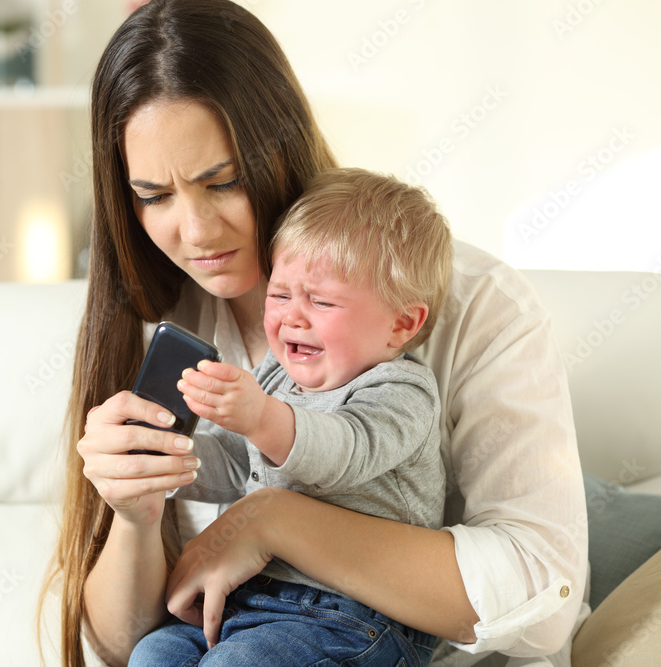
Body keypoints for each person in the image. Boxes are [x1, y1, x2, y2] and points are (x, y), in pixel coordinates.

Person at [41, 1, 587, 666]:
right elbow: (121, 646)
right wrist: (136, 509)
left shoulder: (468, 303)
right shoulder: (158, 318)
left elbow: (545, 601)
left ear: (280, 144)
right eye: (154, 195)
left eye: (225, 181)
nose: (196, 231)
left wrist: (276, 522)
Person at [128, 167, 453, 665]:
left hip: (357, 618)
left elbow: (344, 452)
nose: (291, 316)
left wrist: (260, 416)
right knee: (156, 653)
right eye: (279, 295)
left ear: (401, 324)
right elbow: (243, 464)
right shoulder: (279, 378)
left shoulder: (402, 390)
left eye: (321, 300)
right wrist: (168, 456)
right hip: (253, 603)